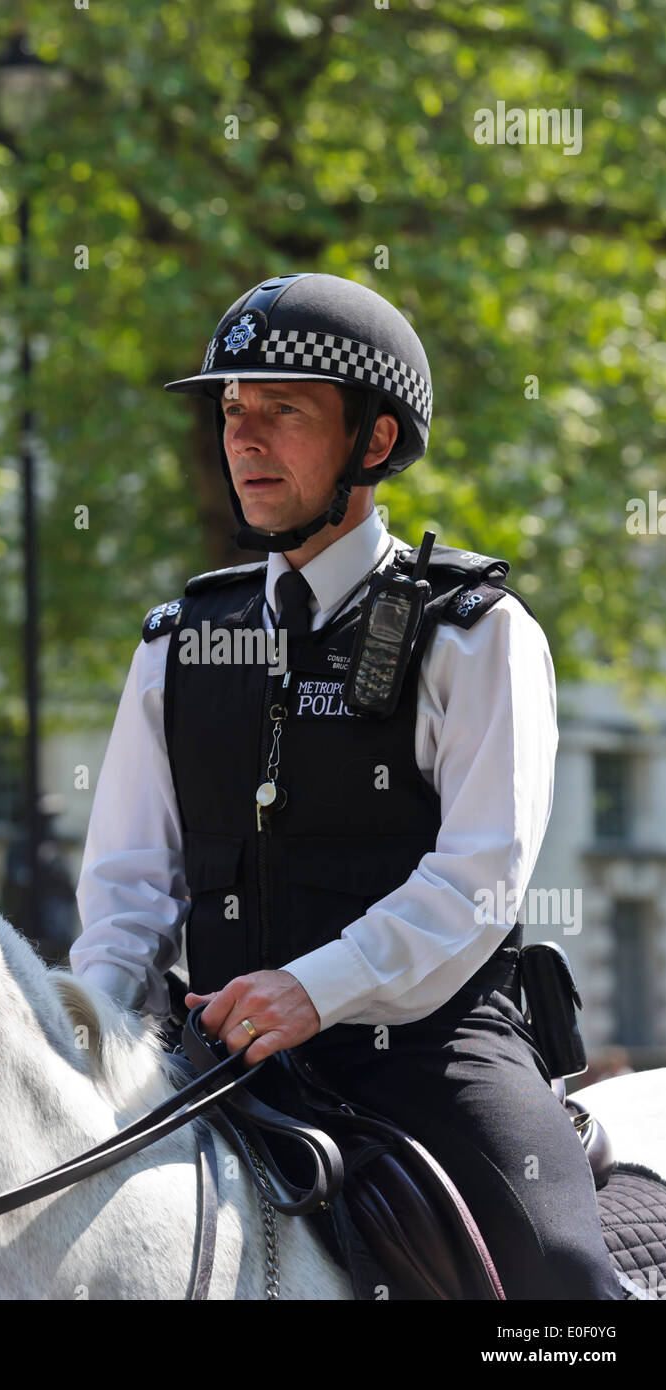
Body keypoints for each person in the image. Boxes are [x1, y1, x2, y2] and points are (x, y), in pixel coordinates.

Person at [70, 272, 622, 1300]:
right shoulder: (178, 643)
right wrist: (92, 1030)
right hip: (212, 1058)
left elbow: (478, 882)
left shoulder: (476, 635)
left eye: (283, 409)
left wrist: (312, 988)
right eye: (233, 411)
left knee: (563, 1286)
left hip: (425, 1058)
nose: (244, 437)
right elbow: (128, 889)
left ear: (373, 441)